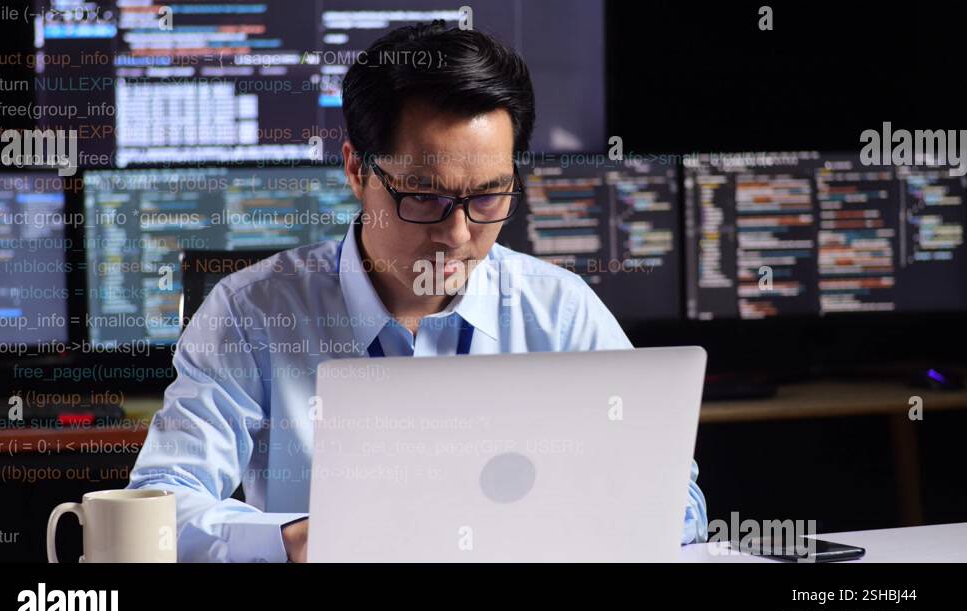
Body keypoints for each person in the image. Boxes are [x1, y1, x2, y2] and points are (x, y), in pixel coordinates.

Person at [127, 22, 707, 562]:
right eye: (424, 196)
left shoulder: (560, 309)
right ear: (356, 169)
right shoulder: (251, 312)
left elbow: (676, 501)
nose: (457, 236)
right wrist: (296, 540)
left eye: (488, 196)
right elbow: (159, 504)